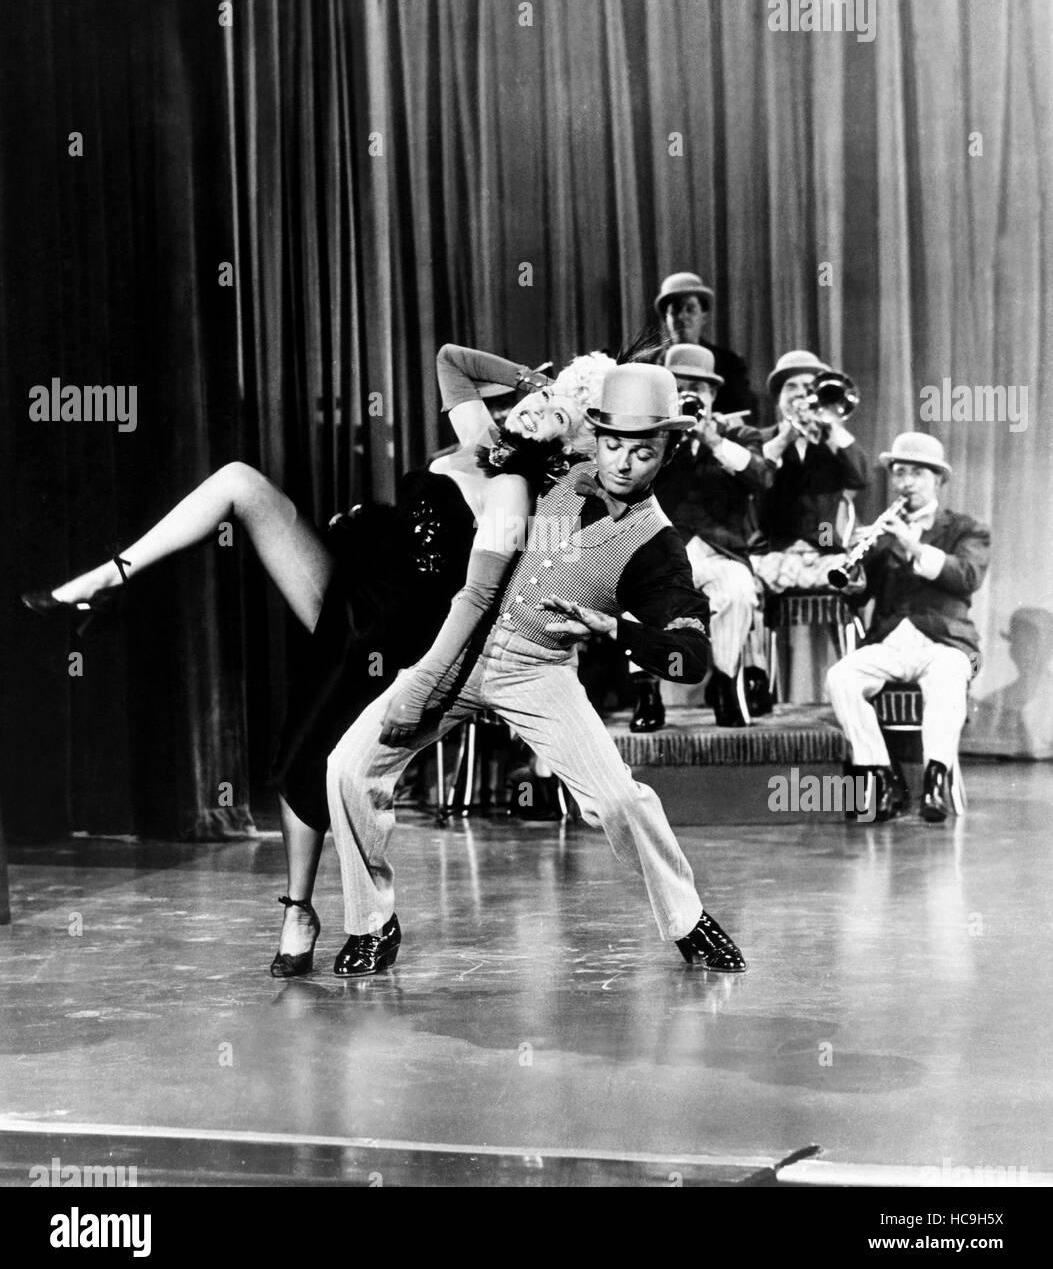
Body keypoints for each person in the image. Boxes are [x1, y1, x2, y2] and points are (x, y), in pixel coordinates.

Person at [21, 343, 612, 976]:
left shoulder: (517, 491)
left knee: (312, 759)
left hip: (391, 635)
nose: (532, 408)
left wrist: (433, 678)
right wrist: (545, 384)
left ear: (569, 447)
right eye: (536, 395)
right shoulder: (481, 436)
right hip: (350, 584)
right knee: (239, 482)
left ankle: (301, 908)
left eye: (553, 414)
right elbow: (448, 359)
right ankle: (103, 581)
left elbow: (481, 594)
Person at [325, 364, 747, 978]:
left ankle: (688, 920)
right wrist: (532, 381)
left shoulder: (659, 546)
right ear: (592, 435)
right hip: (464, 655)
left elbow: (690, 658)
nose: (623, 464)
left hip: (539, 671)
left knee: (618, 801)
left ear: (668, 453)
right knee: (348, 768)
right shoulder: (549, 470)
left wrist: (620, 631)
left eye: (643, 452)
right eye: (612, 444)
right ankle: (371, 922)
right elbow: (453, 366)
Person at [825, 432, 990, 823]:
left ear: (938, 480)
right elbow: (861, 598)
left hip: (943, 643)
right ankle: (881, 779)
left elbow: (965, 576)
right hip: (890, 642)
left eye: (917, 473)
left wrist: (912, 546)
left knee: (950, 674)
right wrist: (855, 579)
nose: (906, 483)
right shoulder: (881, 534)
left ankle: (935, 781)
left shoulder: (967, 529)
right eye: (900, 473)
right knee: (840, 677)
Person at [629, 344, 772, 731]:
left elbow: (761, 478)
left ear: (713, 396)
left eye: (701, 389)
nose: (693, 395)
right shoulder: (648, 435)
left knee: (739, 591)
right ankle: (647, 693)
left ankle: (725, 684)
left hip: (720, 554)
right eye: (682, 387)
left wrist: (714, 442)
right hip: (665, 557)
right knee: (637, 595)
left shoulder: (740, 434)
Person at [752, 350, 870, 592]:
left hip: (823, 545)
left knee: (846, 574)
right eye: (791, 386)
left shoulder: (833, 444)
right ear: (778, 398)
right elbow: (752, 474)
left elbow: (859, 476)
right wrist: (785, 438)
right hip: (772, 548)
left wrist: (831, 425)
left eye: (807, 387)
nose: (799, 393)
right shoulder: (762, 439)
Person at [619, 271, 755, 419]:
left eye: (690, 309)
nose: (682, 317)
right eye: (675, 311)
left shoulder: (729, 363)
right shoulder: (646, 363)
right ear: (666, 318)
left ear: (703, 316)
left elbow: (746, 413)